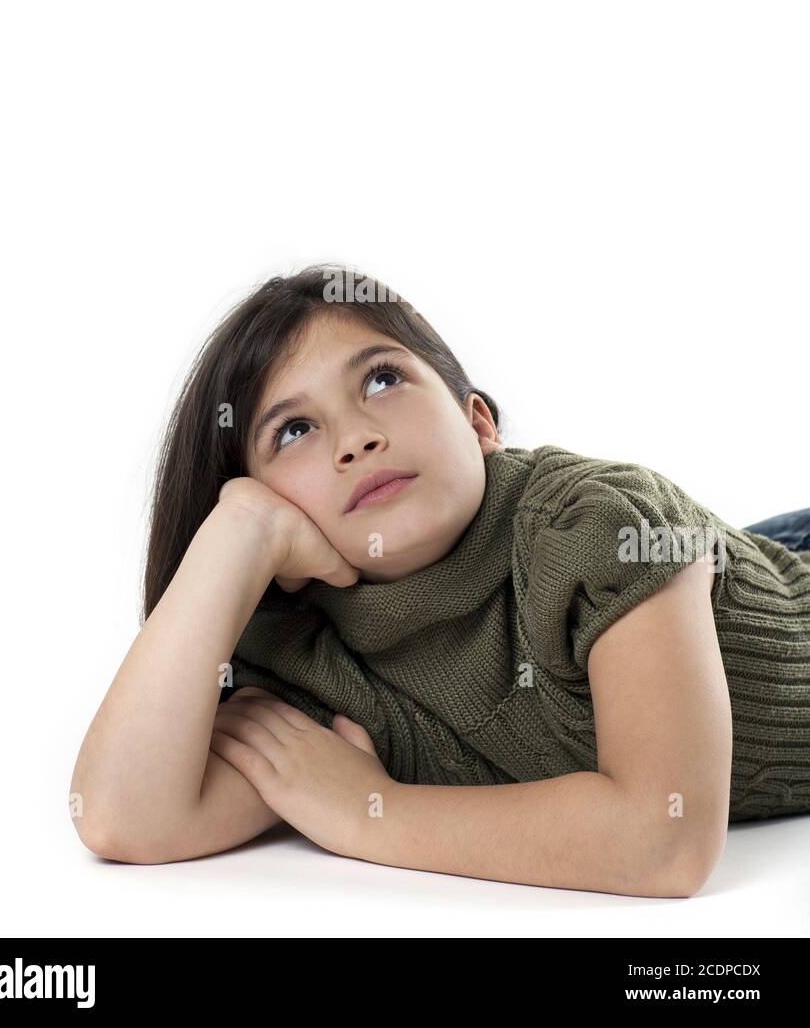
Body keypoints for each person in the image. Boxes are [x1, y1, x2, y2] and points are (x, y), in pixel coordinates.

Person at [70, 264, 810, 895]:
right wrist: (237, 535)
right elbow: (122, 817)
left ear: (479, 424)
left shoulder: (599, 526)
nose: (357, 436)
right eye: (293, 431)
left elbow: (665, 839)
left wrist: (370, 812)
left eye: (382, 379)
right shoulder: (314, 664)